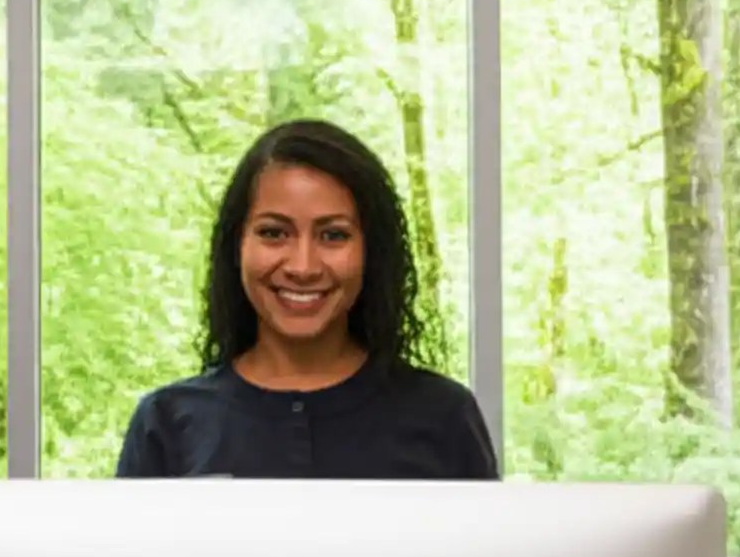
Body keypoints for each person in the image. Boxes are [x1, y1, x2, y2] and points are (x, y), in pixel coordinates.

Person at [115, 118, 498, 480]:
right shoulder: (166, 423)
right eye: (274, 233)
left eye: (333, 235)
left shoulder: (443, 416)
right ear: (237, 244)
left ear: (371, 252)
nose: (303, 266)